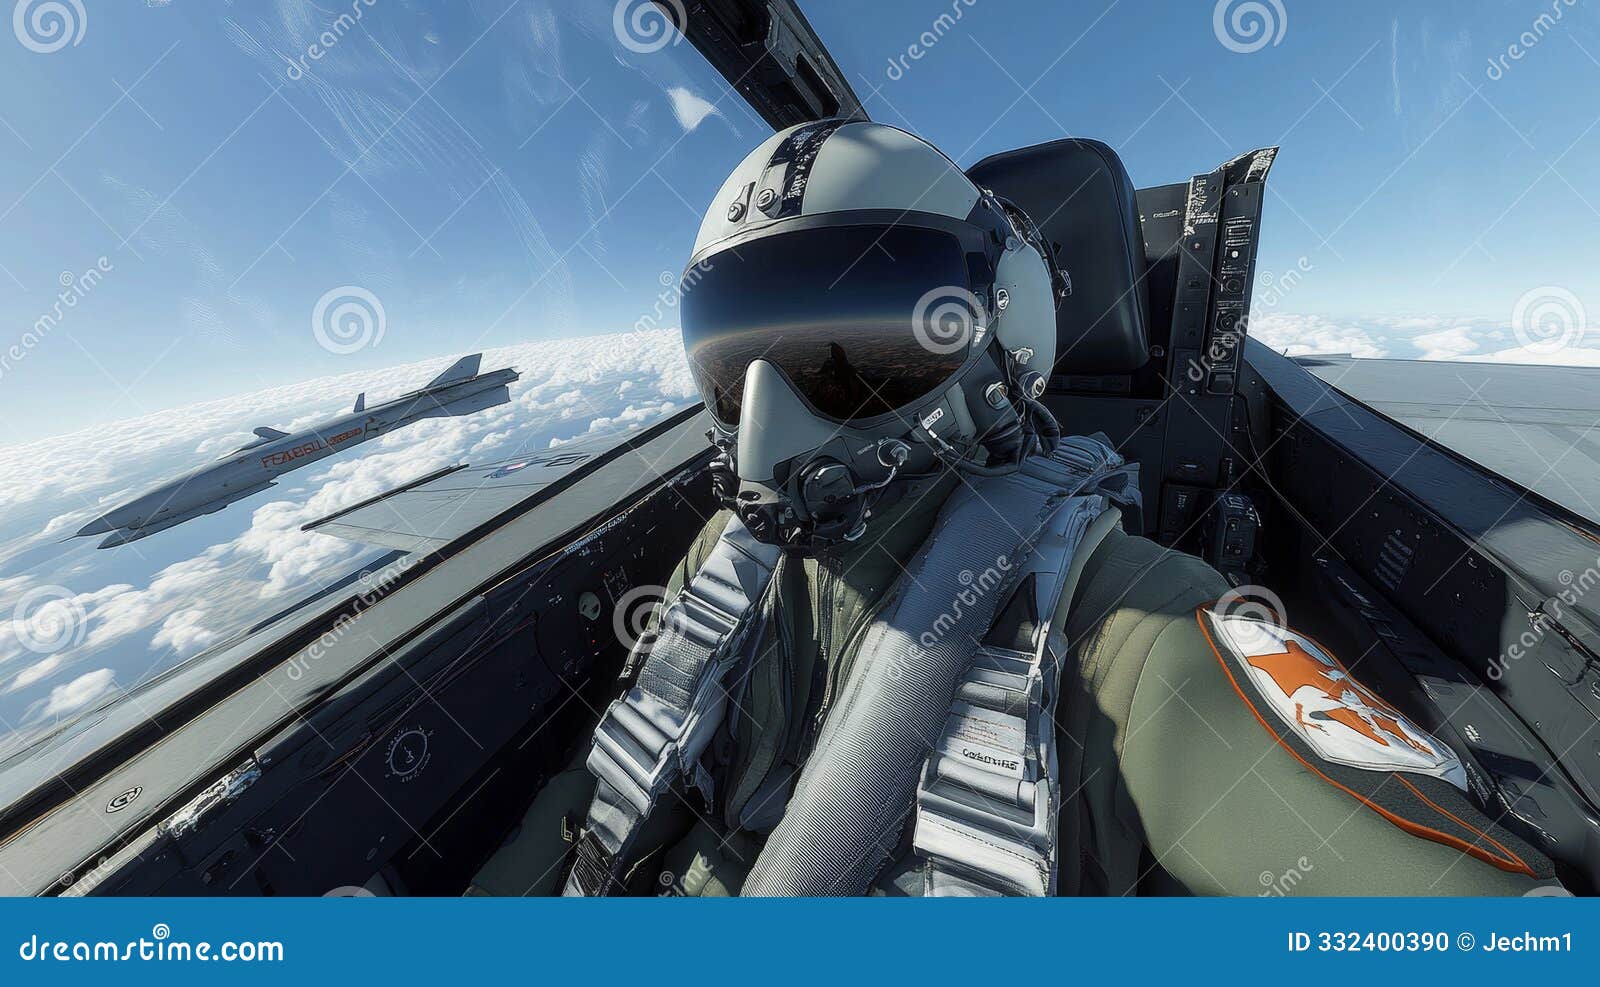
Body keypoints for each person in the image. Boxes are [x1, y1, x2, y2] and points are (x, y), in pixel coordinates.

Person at [469, 120, 1559, 897]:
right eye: (736, 360)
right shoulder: (728, 558)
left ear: (1004, 333)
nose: (768, 426)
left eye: (847, 354)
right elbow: (598, 793)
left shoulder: (1132, 638)